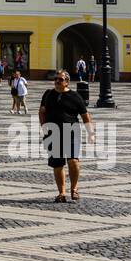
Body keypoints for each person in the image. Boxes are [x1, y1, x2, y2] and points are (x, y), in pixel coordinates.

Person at [39, 70, 94, 202]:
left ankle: (74, 189)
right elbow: (42, 111)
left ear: (67, 82)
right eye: (56, 79)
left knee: (73, 160)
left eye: (60, 79)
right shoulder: (48, 94)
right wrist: (44, 126)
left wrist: (91, 133)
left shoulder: (75, 96)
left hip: (71, 131)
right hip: (53, 133)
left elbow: (85, 116)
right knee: (57, 164)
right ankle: (61, 193)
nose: (57, 81)